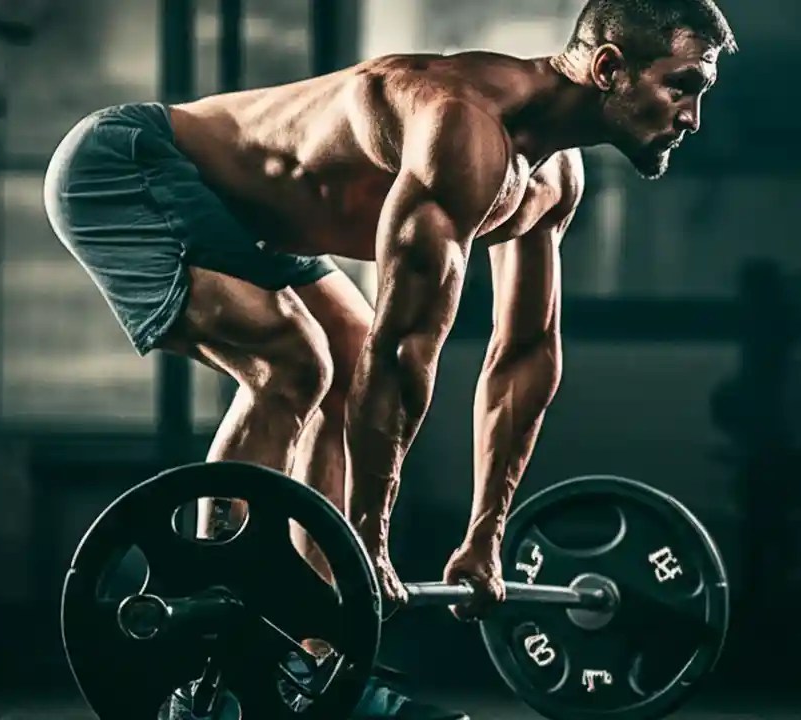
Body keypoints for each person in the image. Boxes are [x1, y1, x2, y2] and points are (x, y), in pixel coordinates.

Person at [45, 0, 736, 716]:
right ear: (608, 68)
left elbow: (523, 355)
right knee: (296, 366)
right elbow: (405, 352)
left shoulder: (552, 180)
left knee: (342, 364)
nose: (691, 117)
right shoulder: (462, 129)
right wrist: (369, 546)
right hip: (129, 165)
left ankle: (312, 667)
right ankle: (204, 669)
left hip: (251, 222)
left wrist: (486, 537)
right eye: (681, 86)